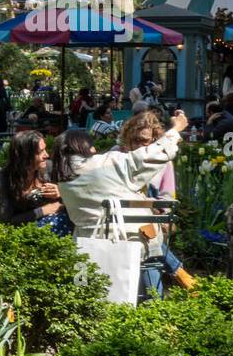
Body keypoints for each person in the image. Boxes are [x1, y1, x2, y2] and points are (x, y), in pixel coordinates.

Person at [58, 108, 195, 295]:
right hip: (130, 240)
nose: (95, 150)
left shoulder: (64, 178)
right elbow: (151, 156)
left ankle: (173, 280)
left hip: (87, 244)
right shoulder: (112, 161)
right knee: (149, 241)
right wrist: (176, 128)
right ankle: (161, 297)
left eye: (144, 140)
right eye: (91, 147)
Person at [0, 130, 70, 235]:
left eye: (45, 149)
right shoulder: (4, 178)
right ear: (24, 156)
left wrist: (62, 192)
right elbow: (5, 220)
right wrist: (44, 210)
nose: (46, 155)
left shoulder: (50, 168)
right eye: (40, 152)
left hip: (57, 227)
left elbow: (76, 199)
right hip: (24, 233)